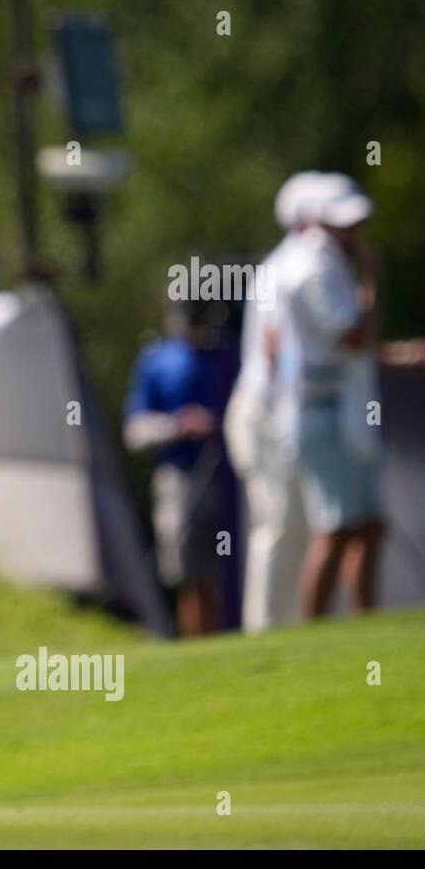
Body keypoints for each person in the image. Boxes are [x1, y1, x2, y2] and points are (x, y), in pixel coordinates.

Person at [273, 175, 384, 618]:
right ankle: (316, 629)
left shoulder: (325, 265)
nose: (354, 234)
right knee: (335, 528)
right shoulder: (309, 269)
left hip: (340, 407)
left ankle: (364, 623)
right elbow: (354, 336)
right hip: (322, 411)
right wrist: (372, 280)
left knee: (370, 526)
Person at [224, 172, 320, 633]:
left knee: (297, 524)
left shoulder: (295, 267)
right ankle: (264, 630)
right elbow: (275, 350)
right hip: (264, 413)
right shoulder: (289, 269)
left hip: (276, 412)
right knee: (278, 524)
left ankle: (289, 625)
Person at [124, 295, 230, 637]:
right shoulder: (156, 359)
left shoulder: (224, 355)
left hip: (225, 477)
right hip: (179, 477)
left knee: (217, 573)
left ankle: (220, 643)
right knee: (188, 575)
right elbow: (135, 431)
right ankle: (196, 646)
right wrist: (177, 426)